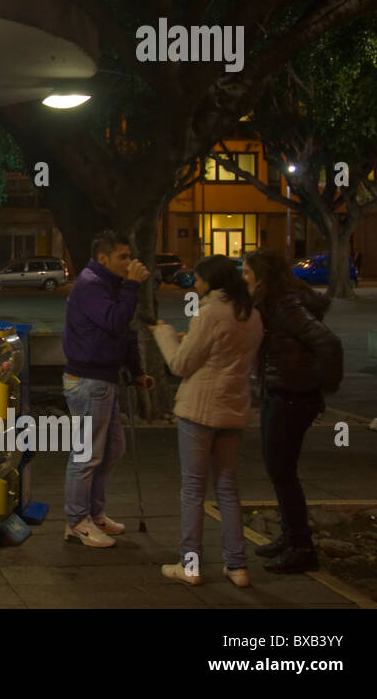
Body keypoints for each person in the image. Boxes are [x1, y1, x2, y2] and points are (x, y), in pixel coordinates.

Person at [150, 256, 263, 587]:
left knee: (194, 488)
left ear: (211, 282)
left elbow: (181, 365)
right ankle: (237, 565)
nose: (194, 285)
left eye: (198, 280)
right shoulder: (251, 313)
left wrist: (165, 334)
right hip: (233, 406)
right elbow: (228, 354)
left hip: (200, 408)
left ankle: (191, 564)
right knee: (228, 488)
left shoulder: (209, 312)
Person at [243, 248, 342, 573]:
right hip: (281, 392)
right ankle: (291, 536)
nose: (244, 278)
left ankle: (301, 546)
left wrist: (322, 384)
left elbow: (327, 341)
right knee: (278, 468)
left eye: (247, 272)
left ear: (262, 275)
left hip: (292, 396)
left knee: (282, 470)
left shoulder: (285, 304)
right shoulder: (276, 301)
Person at [61, 230, 155, 548]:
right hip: (89, 381)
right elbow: (115, 322)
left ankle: (93, 514)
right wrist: (132, 286)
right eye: (122, 258)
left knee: (112, 449)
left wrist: (138, 370)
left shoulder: (109, 285)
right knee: (87, 454)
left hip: (104, 379)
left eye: (129, 257)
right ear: (104, 258)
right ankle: (76, 522)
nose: (129, 263)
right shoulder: (91, 285)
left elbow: (124, 331)